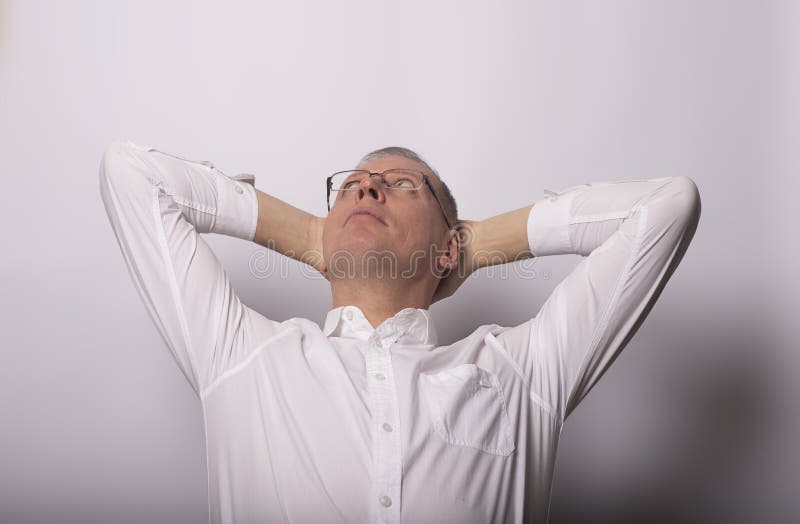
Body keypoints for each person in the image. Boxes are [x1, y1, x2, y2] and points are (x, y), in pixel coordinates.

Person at [98, 141, 701, 524]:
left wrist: (472, 246)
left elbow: (665, 208)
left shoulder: (522, 373)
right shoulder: (240, 354)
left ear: (447, 249)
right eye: (351, 186)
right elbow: (129, 174)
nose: (367, 186)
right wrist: (314, 236)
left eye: (403, 185)